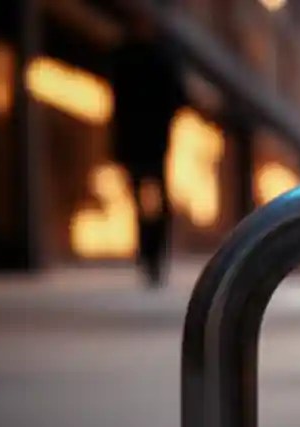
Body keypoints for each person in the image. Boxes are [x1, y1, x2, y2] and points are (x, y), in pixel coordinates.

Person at [108, 10, 187, 287]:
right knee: (143, 199)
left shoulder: (148, 55)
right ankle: (149, 254)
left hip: (149, 139)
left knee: (153, 199)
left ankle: (153, 254)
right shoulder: (146, 55)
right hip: (143, 138)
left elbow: (177, 97)